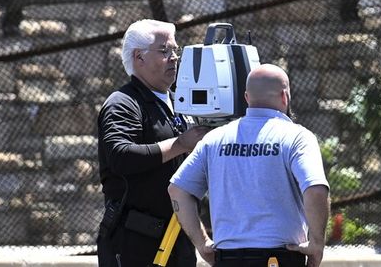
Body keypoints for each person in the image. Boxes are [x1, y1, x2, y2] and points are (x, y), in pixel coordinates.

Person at [168, 63, 330, 267]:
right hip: (280, 258)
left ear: (246, 98)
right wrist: (317, 243)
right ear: (284, 97)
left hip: (227, 258)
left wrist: (202, 244)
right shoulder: (298, 137)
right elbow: (315, 189)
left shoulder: (214, 139)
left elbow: (177, 189)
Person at [97, 19, 210, 267]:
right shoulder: (123, 103)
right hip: (135, 245)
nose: (174, 58)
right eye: (164, 51)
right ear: (139, 57)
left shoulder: (181, 102)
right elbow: (120, 156)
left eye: (175, 50)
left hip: (177, 240)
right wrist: (180, 144)